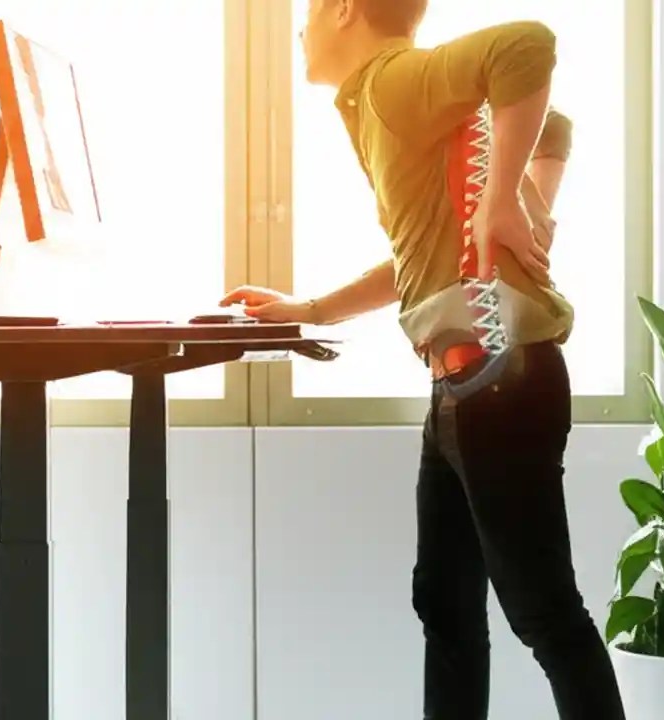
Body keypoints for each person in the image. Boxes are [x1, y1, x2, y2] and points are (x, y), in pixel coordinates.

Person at [219, 2, 626, 718]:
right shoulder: (393, 103)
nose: (299, 30)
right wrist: (311, 309)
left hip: (498, 382)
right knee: (444, 606)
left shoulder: (391, 81)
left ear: (344, 10)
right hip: (462, 390)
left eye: (308, 11)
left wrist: (502, 200)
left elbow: (527, 45)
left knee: (546, 616)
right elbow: (420, 253)